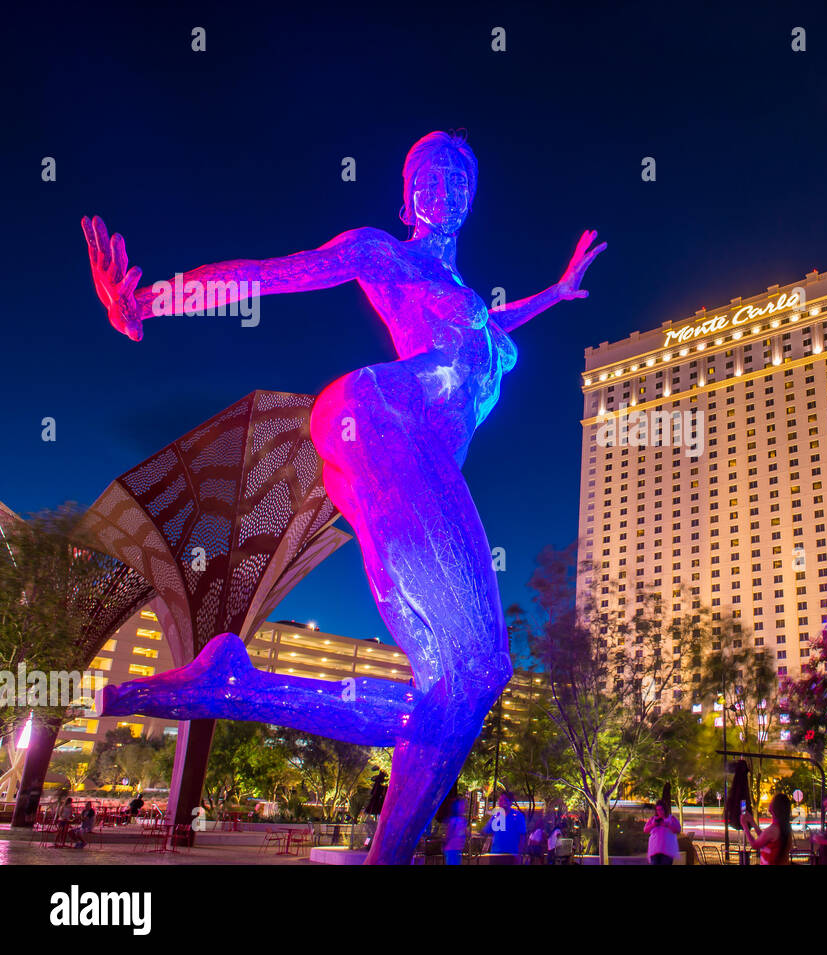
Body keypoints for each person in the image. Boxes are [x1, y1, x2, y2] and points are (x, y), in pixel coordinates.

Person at [83, 130, 604, 865]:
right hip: (382, 424)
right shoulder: (387, 256)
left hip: (410, 471)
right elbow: (275, 274)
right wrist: (150, 300)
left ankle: (234, 686)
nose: (442, 186)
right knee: (476, 669)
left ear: (473, 197)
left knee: (461, 685)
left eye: (458, 177)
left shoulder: (469, 306)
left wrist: (555, 291)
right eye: (426, 174)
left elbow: (490, 321)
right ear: (405, 195)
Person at [741, 794, 792, 865]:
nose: (770, 803)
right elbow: (763, 837)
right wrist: (752, 822)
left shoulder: (773, 829)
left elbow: (754, 844)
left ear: (776, 807)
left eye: (772, 801)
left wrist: (745, 826)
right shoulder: (783, 827)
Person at [481, 791, 528, 856]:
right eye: (500, 800)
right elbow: (486, 830)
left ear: (510, 802)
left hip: (511, 854)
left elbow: (522, 836)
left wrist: (519, 854)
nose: (502, 803)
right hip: (495, 853)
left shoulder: (518, 816)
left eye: (504, 800)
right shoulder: (496, 816)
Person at [643, 799, 682, 865]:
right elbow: (645, 830)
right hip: (654, 849)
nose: (659, 812)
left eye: (661, 809)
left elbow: (678, 829)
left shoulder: (671, 818)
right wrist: (653, 825)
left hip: (667, 850)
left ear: (665, 809)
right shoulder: (653, 819)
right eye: (658, 810)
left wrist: (667, 825)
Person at [443, 798, 468, 865]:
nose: (464, 808)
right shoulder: (453, 820)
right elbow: (449, 833)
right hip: (452, 848)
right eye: (462, 806)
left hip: (457, 848)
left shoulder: (462, 820)